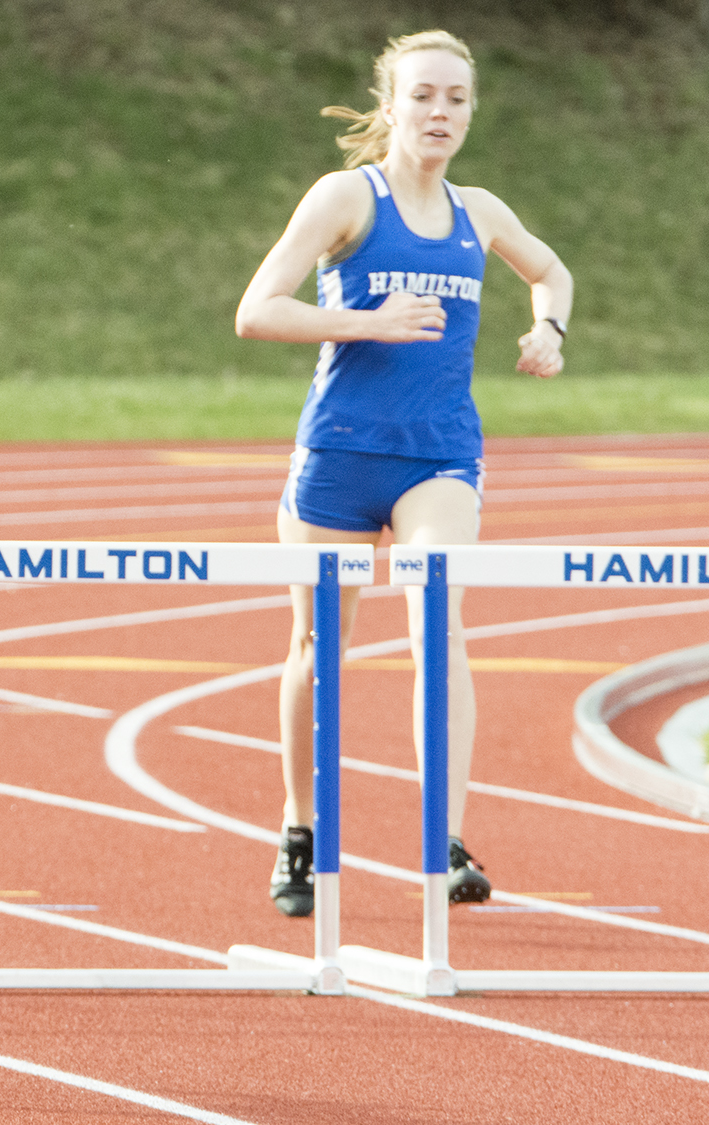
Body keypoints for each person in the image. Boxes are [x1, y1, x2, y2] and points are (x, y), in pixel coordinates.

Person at [233, 30, 573, 918]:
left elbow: (551, 270)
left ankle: (442, 838)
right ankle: (300, 829)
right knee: (318, 647)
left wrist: (549, 329)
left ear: (471, 112)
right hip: (340, 453)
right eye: (423, 95)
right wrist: (369, 321)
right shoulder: (347, 197)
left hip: (440, 456)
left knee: (438, 624)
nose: (439, 113)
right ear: (391, 107)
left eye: (456, 98)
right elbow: (257, 310)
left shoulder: (479, 212)